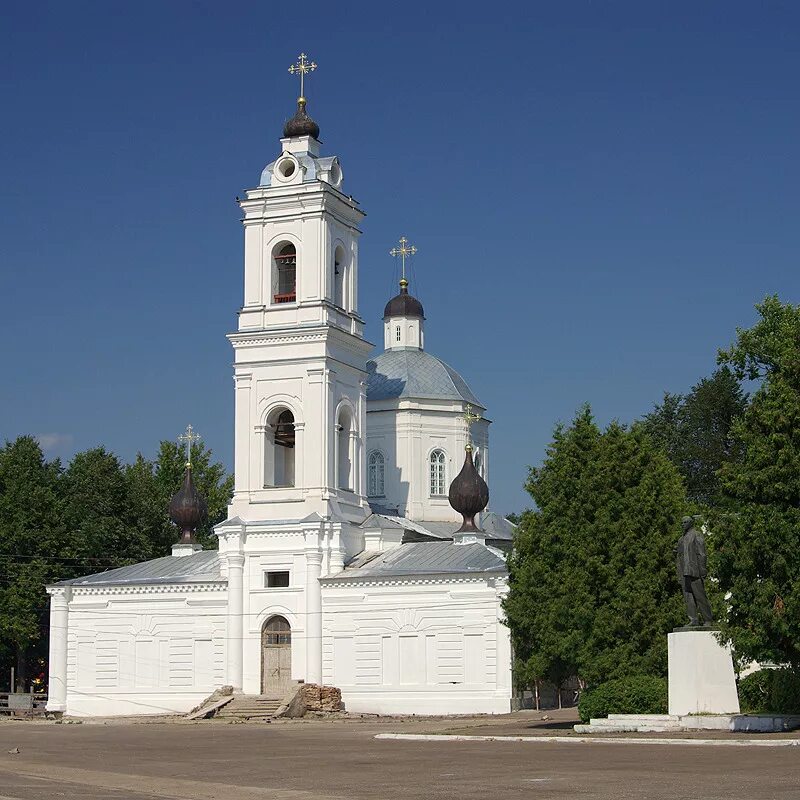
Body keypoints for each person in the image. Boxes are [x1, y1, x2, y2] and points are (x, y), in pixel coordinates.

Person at [676, 516, 713, 626]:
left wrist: (702, 570)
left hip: (694, 571)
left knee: (700, 596)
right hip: (684, 572)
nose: (683, 524)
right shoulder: (681, 539)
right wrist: (679, 574)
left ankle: (708, 619)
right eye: (682, 522)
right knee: (688, 597)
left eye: (685, 522)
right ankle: (693, 619)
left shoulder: (696, 535)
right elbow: (679, 557)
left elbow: (702, 554)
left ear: (691, 523)